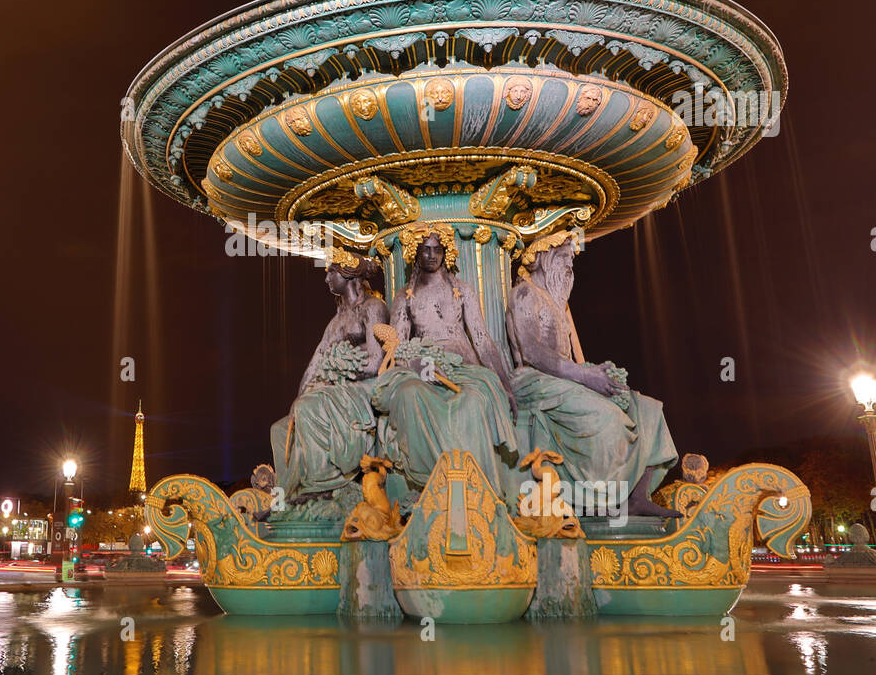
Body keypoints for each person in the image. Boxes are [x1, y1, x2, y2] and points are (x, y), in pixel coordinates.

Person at [505, 230, 679, 518]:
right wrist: (585, 377)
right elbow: (532, 352)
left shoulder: (558, 304)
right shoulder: (525, 293)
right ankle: (596, 497)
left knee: (646, 408)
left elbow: (573, 357)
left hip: (564, 377)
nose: (569, 265)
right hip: (533, 379)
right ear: (542, 257)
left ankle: (636, 496)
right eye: (563, 257)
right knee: (607, 418)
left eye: (571, 258)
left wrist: (596, 372)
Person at [372, 222, 519, 492]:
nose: (431, 255)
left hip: (463, 366)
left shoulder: (462, 290)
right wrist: (417, 364)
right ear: (416, 253)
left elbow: (483, 340)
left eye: (437, 249)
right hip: (425, 367)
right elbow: (399, 346)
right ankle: (430, 483)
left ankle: (475, 488)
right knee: (408, 393)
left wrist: (505, 385)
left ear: (446, 251)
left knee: (474, 402)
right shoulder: (405, 297)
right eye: (425, 249)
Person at [270, 249, 388, 503]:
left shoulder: (373, 308)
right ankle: (290, 494)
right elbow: (315, 364)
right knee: (280, 429)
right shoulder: (335, 322)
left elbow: (376, 362)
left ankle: (321, 485)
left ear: (348, 273)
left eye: (331, 272)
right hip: (335, 388)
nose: (326, 279)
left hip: (364, 386)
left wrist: (336, 375)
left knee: (309, 407)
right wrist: (296, 400)